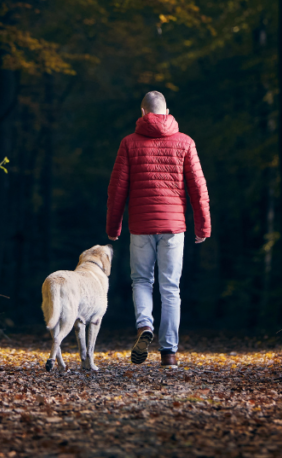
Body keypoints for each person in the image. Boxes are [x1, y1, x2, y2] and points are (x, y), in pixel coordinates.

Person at [106, 90, 211, 369]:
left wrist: (113, 226)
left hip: (140, 226)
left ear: (143, 113)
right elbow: (198, 189)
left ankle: (143, 327)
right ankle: (169, 354)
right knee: (170, 289)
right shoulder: (185, 143)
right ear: (167, 112)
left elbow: (117, 190)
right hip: (174, 227)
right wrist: (203, 225)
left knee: (141, 281)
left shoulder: (128, 143)